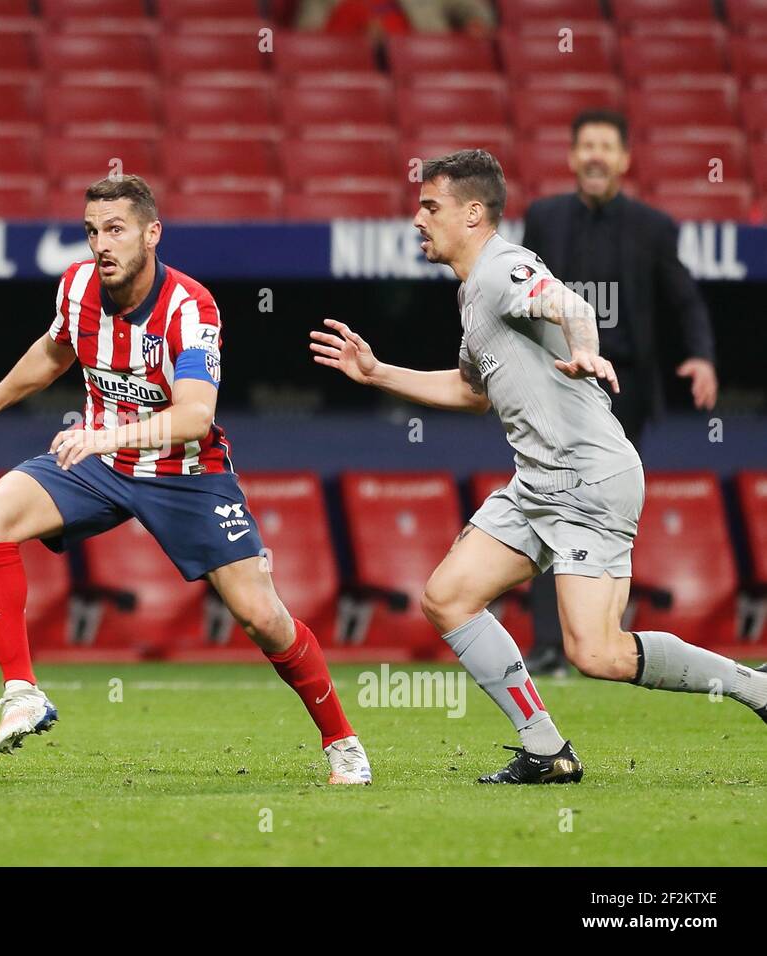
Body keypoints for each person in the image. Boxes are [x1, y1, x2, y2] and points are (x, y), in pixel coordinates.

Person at [309, 149, 765, 784]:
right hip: (538, 484)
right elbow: (472, 392)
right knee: (448, 598)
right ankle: (547, 750)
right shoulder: (473, 296)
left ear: (473, 214)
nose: (418, 219)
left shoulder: (504, 268)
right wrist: (378, 372)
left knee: (597, 652)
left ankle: (754, 687)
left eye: (430, 206)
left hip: (590, 480)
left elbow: (571, 305)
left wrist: (585, 353)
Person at [0, 175, 371, 785]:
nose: (101, 245)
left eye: (115, 230)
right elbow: (52, 352)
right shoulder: (78, 287)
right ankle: (22, 692)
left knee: (261, 616)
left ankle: (342, 743)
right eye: (92, 232)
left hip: (186, 473)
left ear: (151, 232)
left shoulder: (190, 308)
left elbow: (197, 414)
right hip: (98, 465)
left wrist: (103, 435)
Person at [520, 109, 718, 675]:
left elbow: (685, 299)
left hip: (623, 387)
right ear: (571, 155)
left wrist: (701, 355)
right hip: (556, 386)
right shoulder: (544, 217)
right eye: (587, 145)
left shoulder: (653, 227)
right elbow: (522, 298)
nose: (596, 156)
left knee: (601, 511)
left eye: (607, 146)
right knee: (547, 503)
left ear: (626, 159)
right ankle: (549, 646)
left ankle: (599, 637)